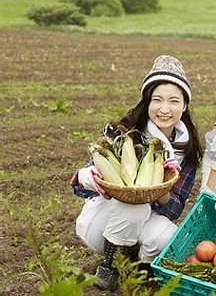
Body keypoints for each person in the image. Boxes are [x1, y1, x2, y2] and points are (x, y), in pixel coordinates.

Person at [70, 55, 202, 290]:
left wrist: (164, 186)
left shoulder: (187, 151)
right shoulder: (124, 134)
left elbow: (173, 209)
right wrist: (89, 177)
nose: (165, 109)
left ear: (184, 105)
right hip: (105, 221)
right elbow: (78, 186)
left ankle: (138, 264)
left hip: (143, 223)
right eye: (157, 100)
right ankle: (110, 265)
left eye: (174, 101)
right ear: (147, 102)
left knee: (168, 238)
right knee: (135, 205)